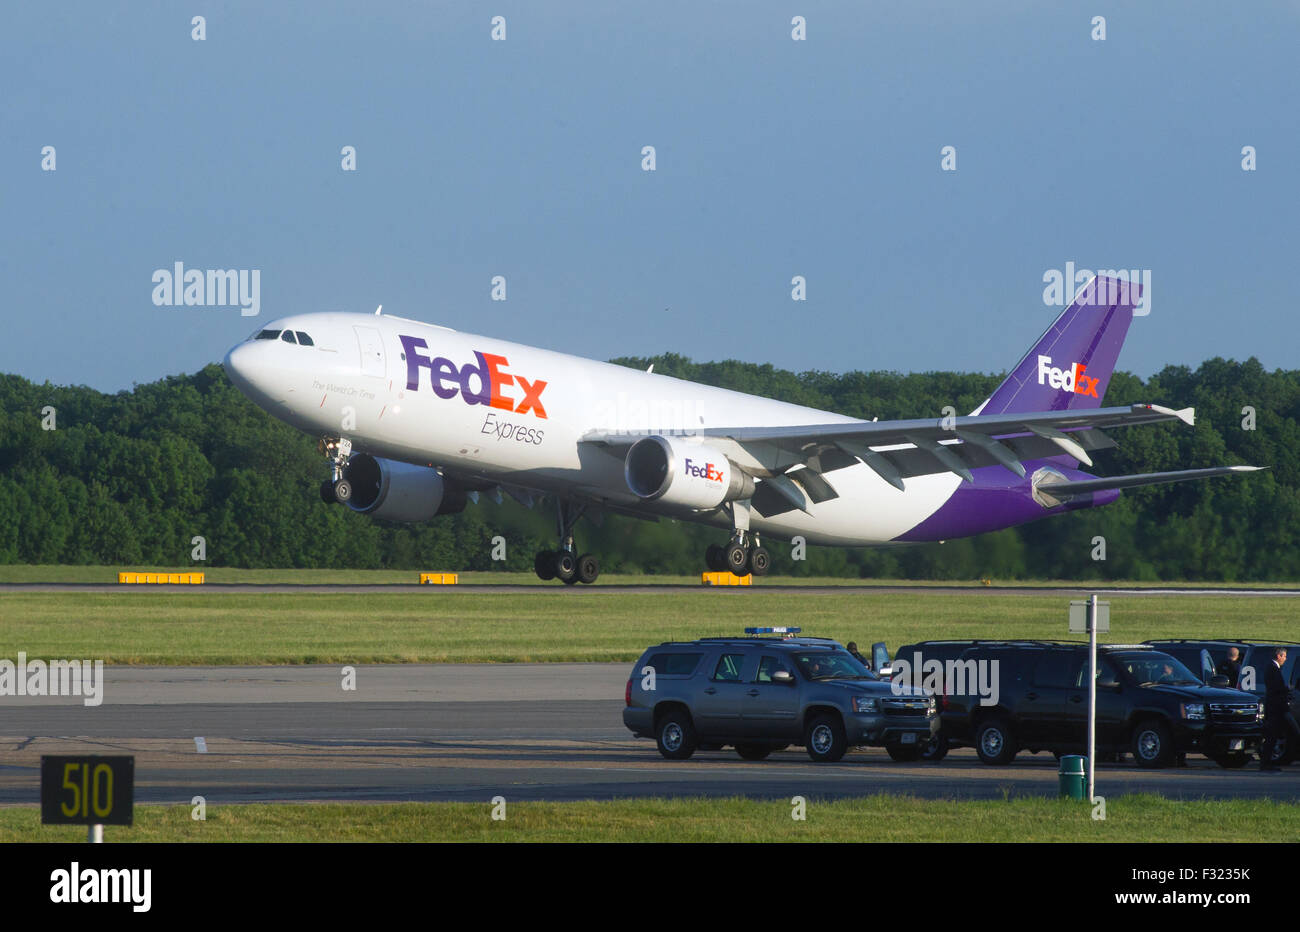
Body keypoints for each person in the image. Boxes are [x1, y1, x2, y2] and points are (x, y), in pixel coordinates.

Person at [1259, 647, 1297, 771]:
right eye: (1284, 656)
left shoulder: (1272, 668)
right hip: (1276, 707)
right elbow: (1275, 688)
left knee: (1273, 736)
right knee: (1272, 736)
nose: (1285, 659)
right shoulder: (1273, 669)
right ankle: (1266, 763)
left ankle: (1267, 762)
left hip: (1276, 707)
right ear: (1279, 656)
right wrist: (1287, 689)